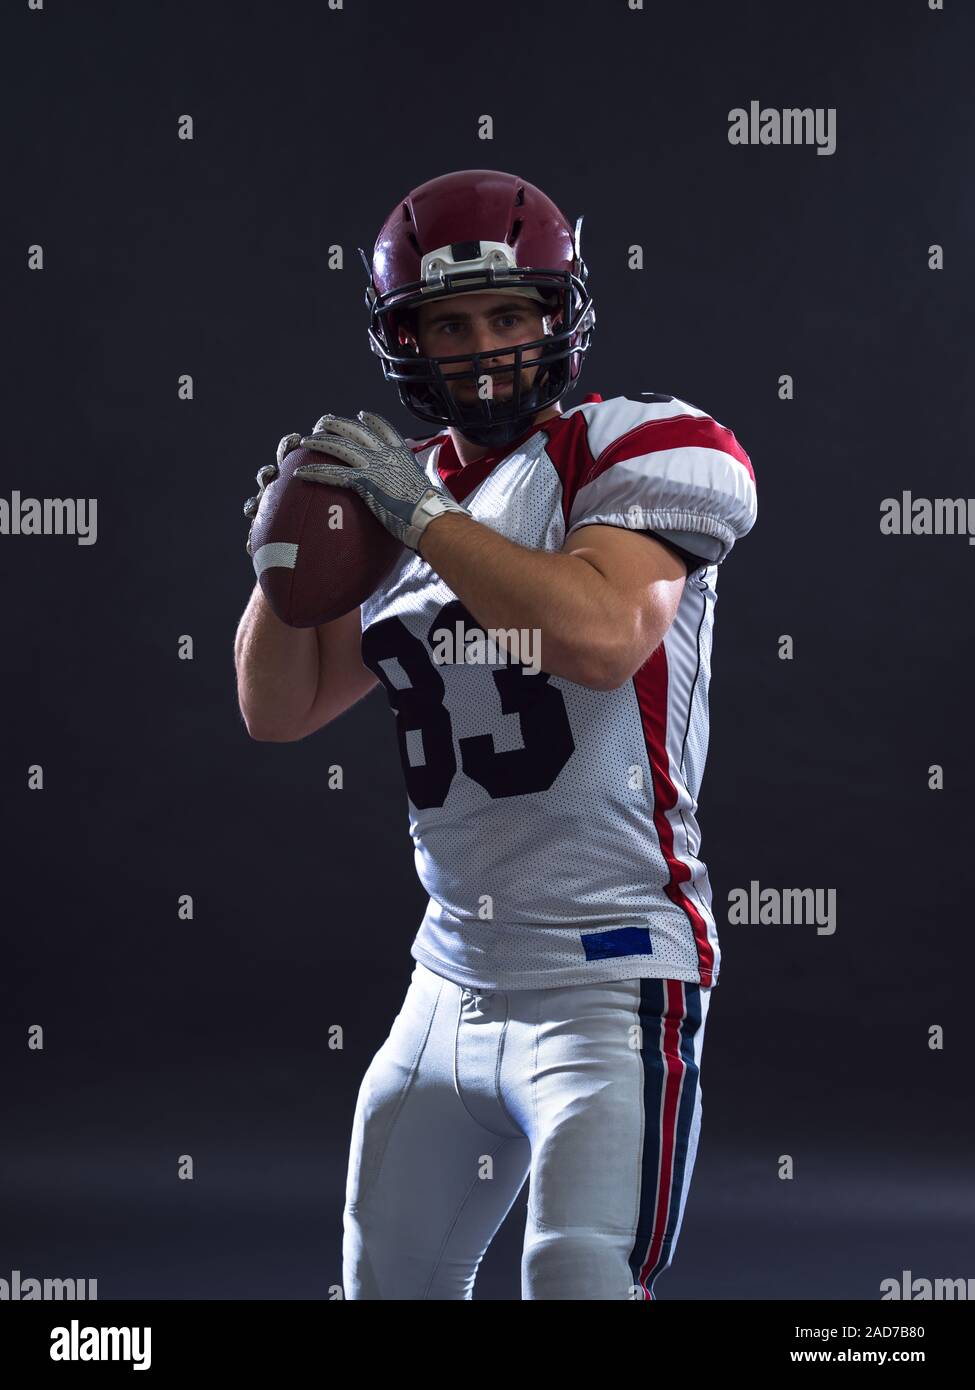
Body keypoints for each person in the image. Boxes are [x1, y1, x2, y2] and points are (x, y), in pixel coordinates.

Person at [235, 169, 758, 1299]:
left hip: (610, 972)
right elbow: (277, 710)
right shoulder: (392, 499)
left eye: (509, 315)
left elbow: (603, 633)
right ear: (403, 338)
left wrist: (423, 518)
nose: (483, 349)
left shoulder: (637, 445)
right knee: (389, 1287)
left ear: (558, 314)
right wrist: (282, 571)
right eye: (451, 323)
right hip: (447, 979)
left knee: (578, 1278)